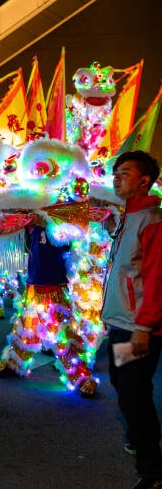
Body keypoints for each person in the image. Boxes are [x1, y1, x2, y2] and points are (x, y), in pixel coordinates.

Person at [100, 150, 162, 489]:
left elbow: (155, 279)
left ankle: (152, 471)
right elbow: (129, 265)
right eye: (115, 172)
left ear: (144, 180)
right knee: (125, 387)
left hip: (137, 328)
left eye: (124, 172)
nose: (116, 178)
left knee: (134, 393)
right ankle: (142, 440)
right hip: (122, 323)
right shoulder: (130, 216)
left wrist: (143, 328)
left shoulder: (152, 219)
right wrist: (112, 228)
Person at [0, 217, 98, 397]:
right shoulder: (31, 218)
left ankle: (83, 376)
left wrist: (48, 223)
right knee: (25, 330)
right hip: (33, 285)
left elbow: (68, 243)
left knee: (63, 336)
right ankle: (15, 363)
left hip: (55, 286)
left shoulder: (62, 217)